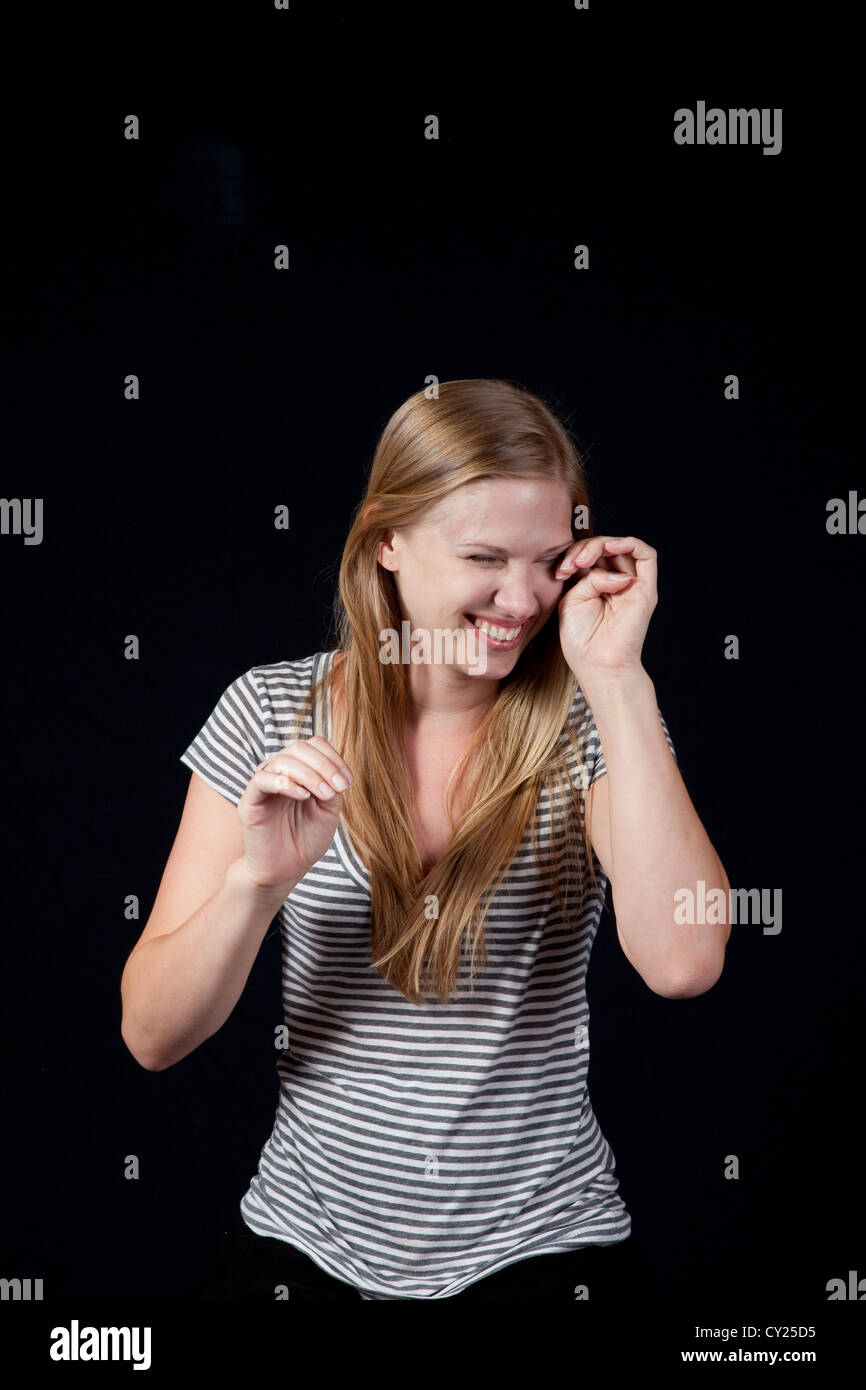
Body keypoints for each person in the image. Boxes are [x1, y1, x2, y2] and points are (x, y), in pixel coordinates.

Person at [120, 377, 731, 1300]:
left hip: (543, 1248)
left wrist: (615, 676)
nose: (521, 599)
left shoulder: (593, 721)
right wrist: (256, 882)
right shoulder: (272, 708)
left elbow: (685, 960)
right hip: (304, 1246)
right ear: (387, 542)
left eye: (550, 560)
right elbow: (153, 1035)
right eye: (485, 555)